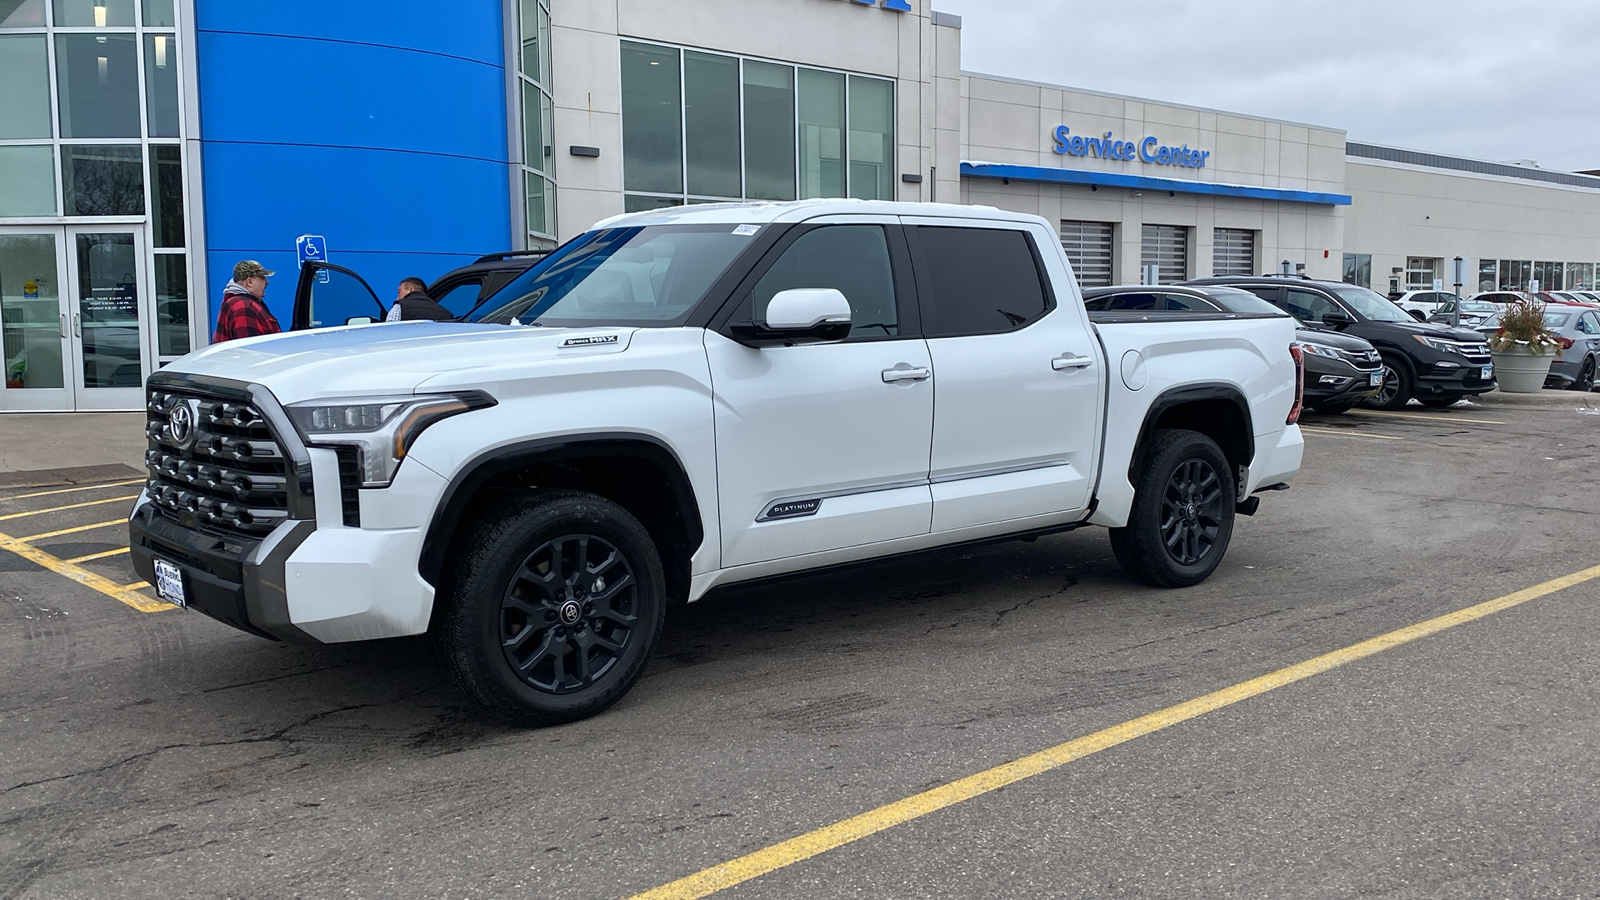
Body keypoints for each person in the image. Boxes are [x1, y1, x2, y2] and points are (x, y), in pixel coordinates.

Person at [212, 260, 281, 342]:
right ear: (250, 282)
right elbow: (250, 350)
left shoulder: (239, 303)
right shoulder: (244, 307)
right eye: (262, 278)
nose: (267, 282)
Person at [384, 276, 453, 322]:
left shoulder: (400, 307)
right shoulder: (445, 314)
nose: (397, 298)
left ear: (410, 290)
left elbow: (389, 330)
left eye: (399, 292)